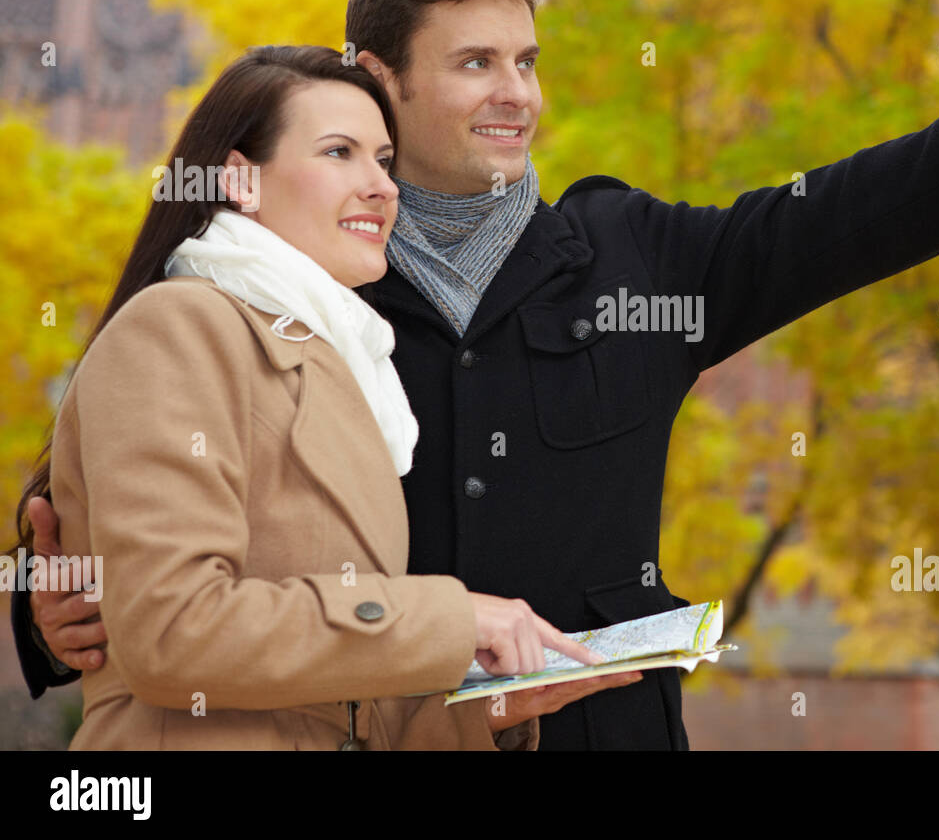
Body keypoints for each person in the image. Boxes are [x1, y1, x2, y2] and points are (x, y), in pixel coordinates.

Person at [13, 0, 939, 750]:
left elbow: (835, 218)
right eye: (475, 62)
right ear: (379, 78)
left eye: (525, 61)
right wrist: (45, 601)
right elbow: (126, 509)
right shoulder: (288, 298)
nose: (515, 93)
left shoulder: (634, 257)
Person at [9, 44, 628, 750]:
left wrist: (483, 709)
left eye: (385, 162)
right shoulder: (179, 327)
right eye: (340, 153)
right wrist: (453, 620)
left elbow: (336, 706)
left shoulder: (352, 369)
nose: (382, 186)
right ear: (241, 180)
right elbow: (174, 633)